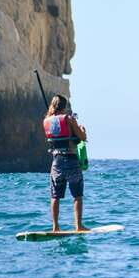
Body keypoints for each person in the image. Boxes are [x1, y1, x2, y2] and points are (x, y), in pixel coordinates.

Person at [43, 95, 88, 232]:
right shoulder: (69, 119)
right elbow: (82, 137)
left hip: (56, 161)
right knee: (77, 195)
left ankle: (55, 227)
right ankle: (78, 226)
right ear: (64, 107)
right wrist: (82, 129)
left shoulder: (46, 121)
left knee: (55, 195)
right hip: (71, 159)